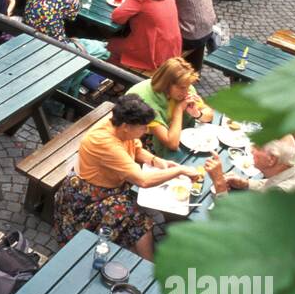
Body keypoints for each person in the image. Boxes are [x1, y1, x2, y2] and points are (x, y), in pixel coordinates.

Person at [53, 96, 204, 260]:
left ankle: (142, 258)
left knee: (134, 215)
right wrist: (179, 170)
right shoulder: (105, 143)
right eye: (142, 128)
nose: (146, 131)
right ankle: (147, 264)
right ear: (126, 126)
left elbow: (136, 149)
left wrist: (156, 161)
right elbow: (143, 181)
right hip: (86, 198)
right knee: (134, 215)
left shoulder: (122, 130)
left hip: (110, 188)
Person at [23, 0, 111, 91]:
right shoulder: (68, 0)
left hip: (31, 35)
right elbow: (72, 16)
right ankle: (96, 74)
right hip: (56, 45)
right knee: (102, 48)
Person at [107, 0, 183, 74]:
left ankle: (117, 81)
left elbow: (117, 17)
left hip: (153, 53)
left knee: (109, 46)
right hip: (172, 48)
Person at [126, 57, 214, 153]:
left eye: (188, 86)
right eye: (182, 88)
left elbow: (209, 114)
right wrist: (179, 110)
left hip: (176, 137)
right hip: (138, 141)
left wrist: (197, 114)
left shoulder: (185, 88)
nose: (186, 92)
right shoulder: (147, 102)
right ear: (166, 84)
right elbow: (172, 144)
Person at [205, 135, 295, 194]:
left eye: (258, 147)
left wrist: (219, 183)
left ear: (271, 159)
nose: (251, 149)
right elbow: (273, 183)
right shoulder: (294, 170)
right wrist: (245, 183)